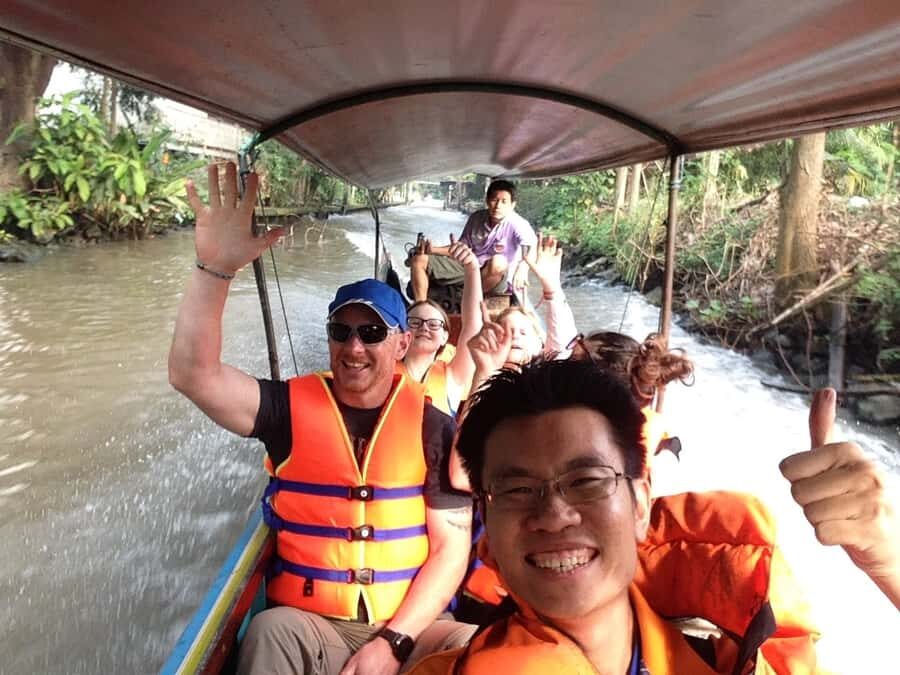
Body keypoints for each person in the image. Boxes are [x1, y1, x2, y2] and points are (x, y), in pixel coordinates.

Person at [168, 162, 476, 675]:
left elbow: (451, 549)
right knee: (269, 630)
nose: (354, 347)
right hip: (312, 626)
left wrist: (393, 642)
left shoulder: (434, 427)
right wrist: (213, 270)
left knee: (474, 644)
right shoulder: (285, 410)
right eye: (341, 331)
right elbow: (191, 374)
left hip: (412, 627)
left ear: (402, 344)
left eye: (372, 334)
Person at [408, 360, 900, 674]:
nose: (554, 514)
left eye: (587, 480)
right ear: (486, 536)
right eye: (517, 490)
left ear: (641, 505)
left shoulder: (729, 660)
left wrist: (887, 562)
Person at [410, 180, 537, 303]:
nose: (498, 206)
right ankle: (420, 308)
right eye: (494, 200)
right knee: (418, 260)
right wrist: (433, 250)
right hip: (470, 267)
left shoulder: (517, 224)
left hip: (495, 278)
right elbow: (462, 248)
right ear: (487, 201)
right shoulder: (477, 218)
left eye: (504, 202)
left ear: (512, 205)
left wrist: (523, 268)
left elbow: (533, 245)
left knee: (499, 261)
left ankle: (469, 300)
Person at [403, 237, 482, 417]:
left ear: (445, 337)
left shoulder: (452, 377)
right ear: (403, 333)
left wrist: (472, 268)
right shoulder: (383, 371)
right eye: (415, 322)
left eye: (433, 324)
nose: (424, 328)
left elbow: (473, 325)